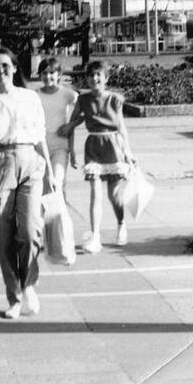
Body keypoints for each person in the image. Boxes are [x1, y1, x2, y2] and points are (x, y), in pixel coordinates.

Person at [0, 47, 57, 319]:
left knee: (31, 228)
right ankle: (14, 295)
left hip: (31, 162)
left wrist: (51, 173)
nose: (0, 71)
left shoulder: (30, 97)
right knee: (4, 235)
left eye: (5, 65)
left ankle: (29, 284)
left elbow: (40, 134)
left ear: (14, 67)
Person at [60, 61, 135, 252]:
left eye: (99, 75)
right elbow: (75, 119)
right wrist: (71, 139)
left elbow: (121, 127)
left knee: (114, 195)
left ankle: (121, 224)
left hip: (113, 146)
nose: (95, 79)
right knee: (95, 193)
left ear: (106, 78)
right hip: (93, 146)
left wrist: (128, 152)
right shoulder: (83, 99)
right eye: (92, 76)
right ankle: (95, 237)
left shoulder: (115, 99)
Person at [32, 58, 79, 194]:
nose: (48, 76)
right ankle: (46, 215)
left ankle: (61, 214)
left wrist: (71, 125)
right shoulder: (34, 95)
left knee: (57, 184)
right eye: (44, 73)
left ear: (59, 74)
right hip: (39, 148)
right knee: (43, 188)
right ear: (40, 75)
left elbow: (86, 110)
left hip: (60, 146)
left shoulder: (67, 94)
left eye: (52, 72)